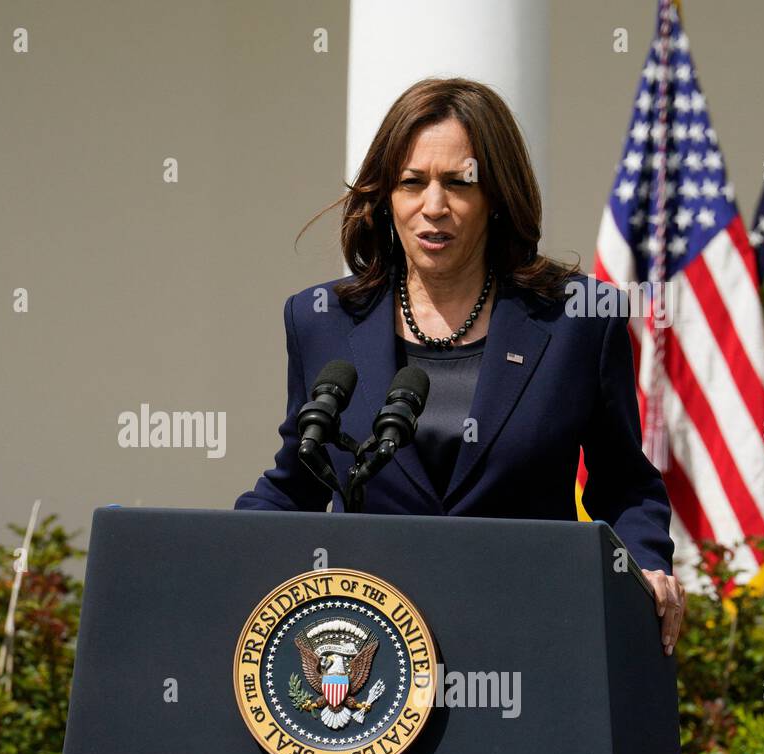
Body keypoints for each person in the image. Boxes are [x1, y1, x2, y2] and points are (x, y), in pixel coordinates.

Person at [236, 77, 684, 654]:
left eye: (458, 183)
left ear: (496, 195)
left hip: (533, 641)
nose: (433, 207)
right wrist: (216, 553)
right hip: (371, 656)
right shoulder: (320, 320)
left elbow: (624, 481)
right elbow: (298, 481)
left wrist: (644, 565)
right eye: (411, 182)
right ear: (384, 196)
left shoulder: (578, 320)